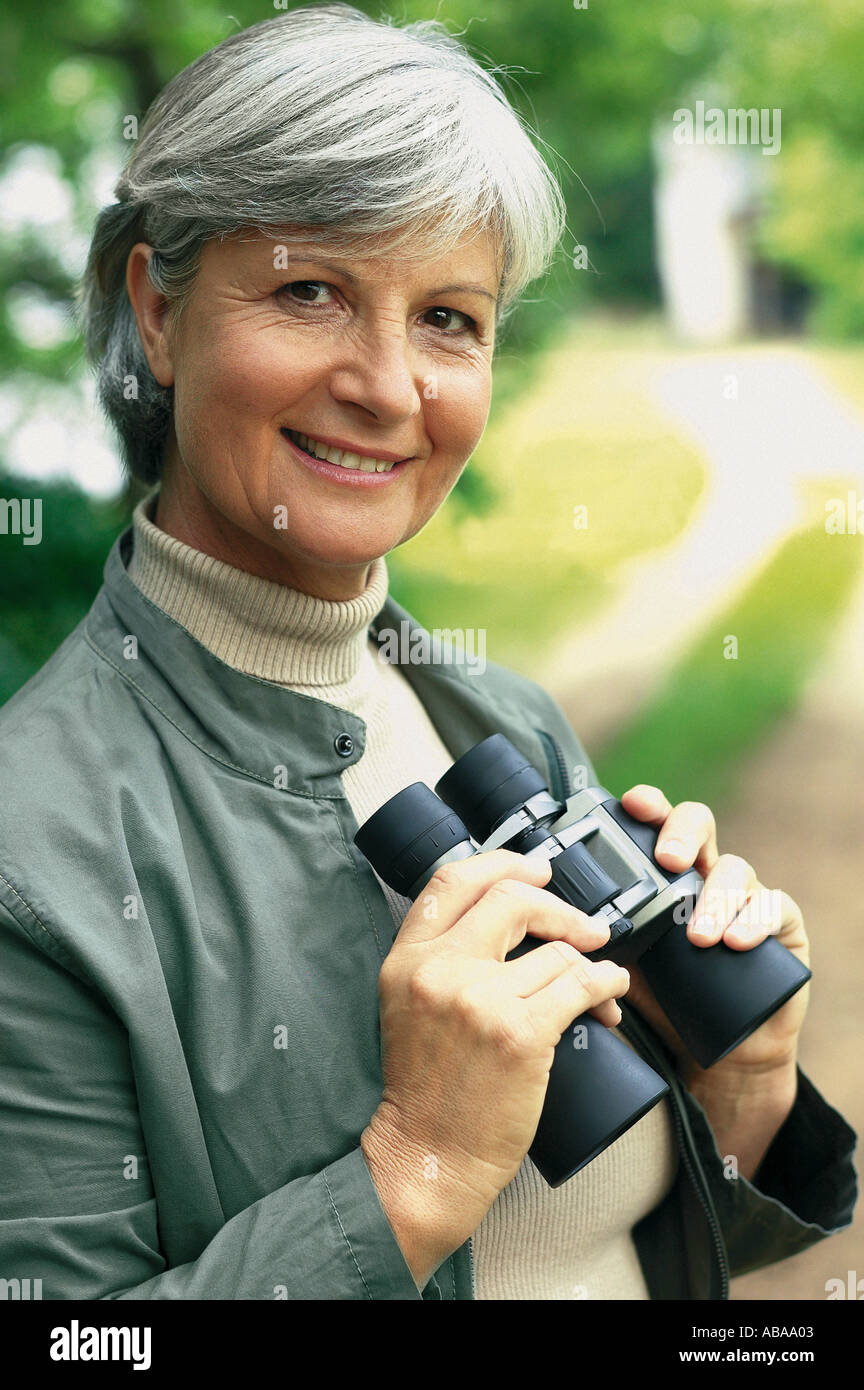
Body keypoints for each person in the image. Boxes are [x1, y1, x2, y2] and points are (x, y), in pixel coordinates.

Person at [0, 4, 855, 1301]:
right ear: (159, 310)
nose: (391, 386)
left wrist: (740, 1086)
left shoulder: (494, 716)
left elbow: (621, 1246)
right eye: (310, 291)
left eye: (449, 318)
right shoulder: (33, 851)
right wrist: (414, 1171)